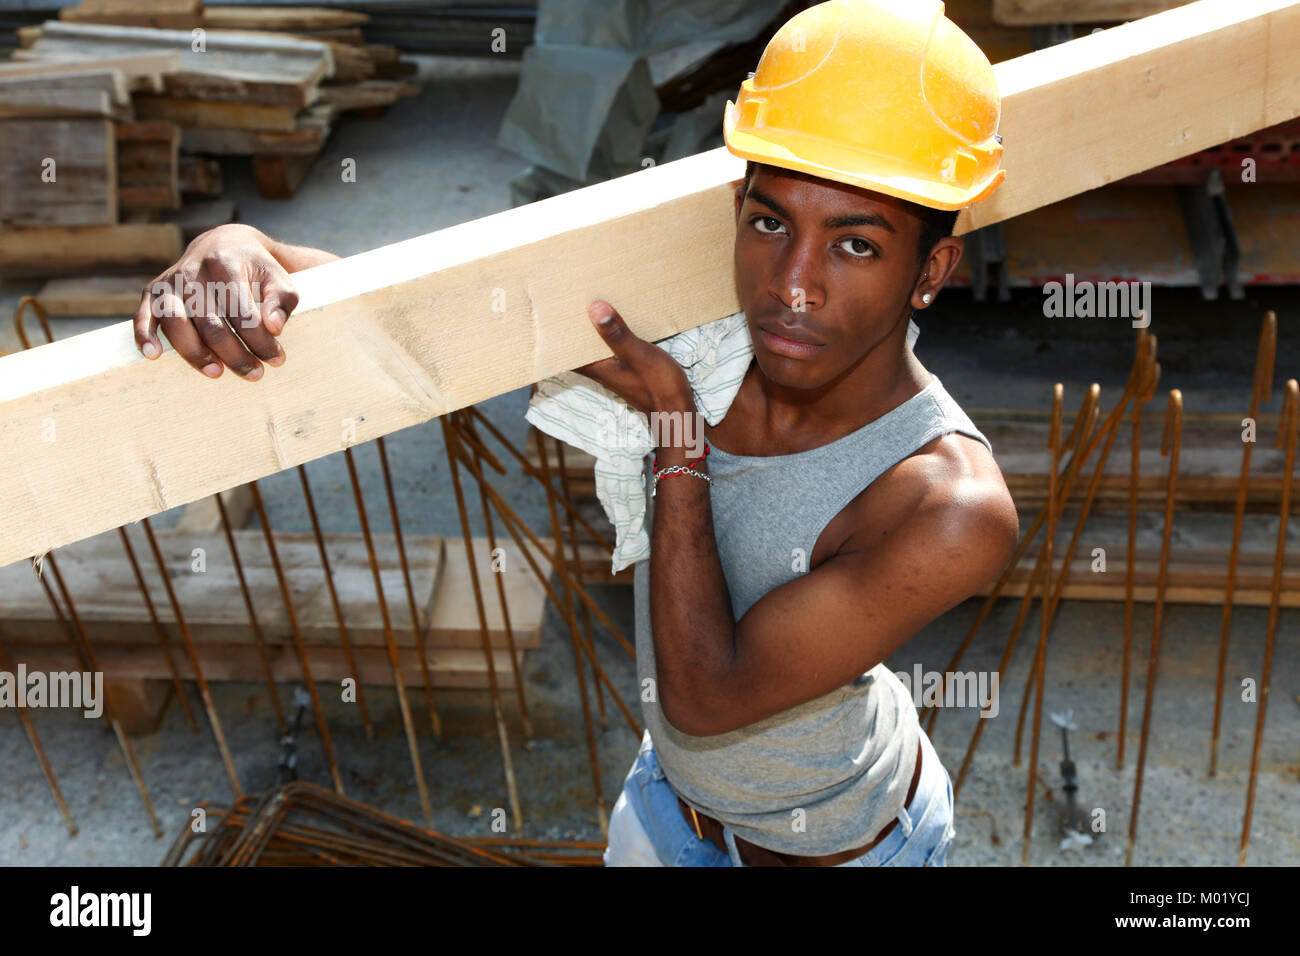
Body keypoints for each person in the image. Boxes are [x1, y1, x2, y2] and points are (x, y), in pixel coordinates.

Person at [132, 0, 1018, 867]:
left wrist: (677, 436)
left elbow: (708, 694)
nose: (792, 284)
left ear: (930, 270)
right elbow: (413, 302)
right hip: (672, 802)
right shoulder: (705, 344)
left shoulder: (945, 501)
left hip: (839, 844)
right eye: (770, 221)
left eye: (855, 245)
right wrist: (241, 244)